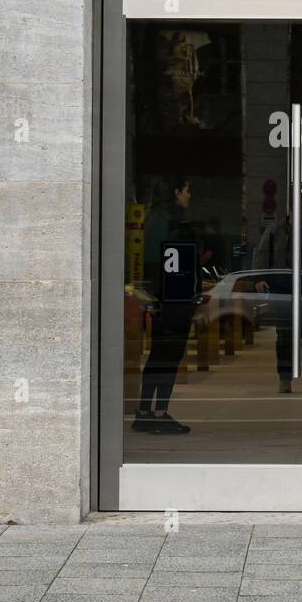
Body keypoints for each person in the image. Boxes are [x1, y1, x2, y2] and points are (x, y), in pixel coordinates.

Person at [135, 175, 198, 435]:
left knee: (158, 358)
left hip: (164, 301)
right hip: (173, 302)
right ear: (176, 192)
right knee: (167, 358)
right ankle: (158, 412)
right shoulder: (170, 223)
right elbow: (165, 265)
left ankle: (145, 411)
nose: (189, 195)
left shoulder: (156, 219)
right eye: (187, 190)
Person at [254, 193, 302, 393]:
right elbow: (262, 255)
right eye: (300, 207)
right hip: (282, 289)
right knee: (285, 336)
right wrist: (259, 278)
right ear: (290, 211)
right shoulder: (276, 232)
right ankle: (285, 379)